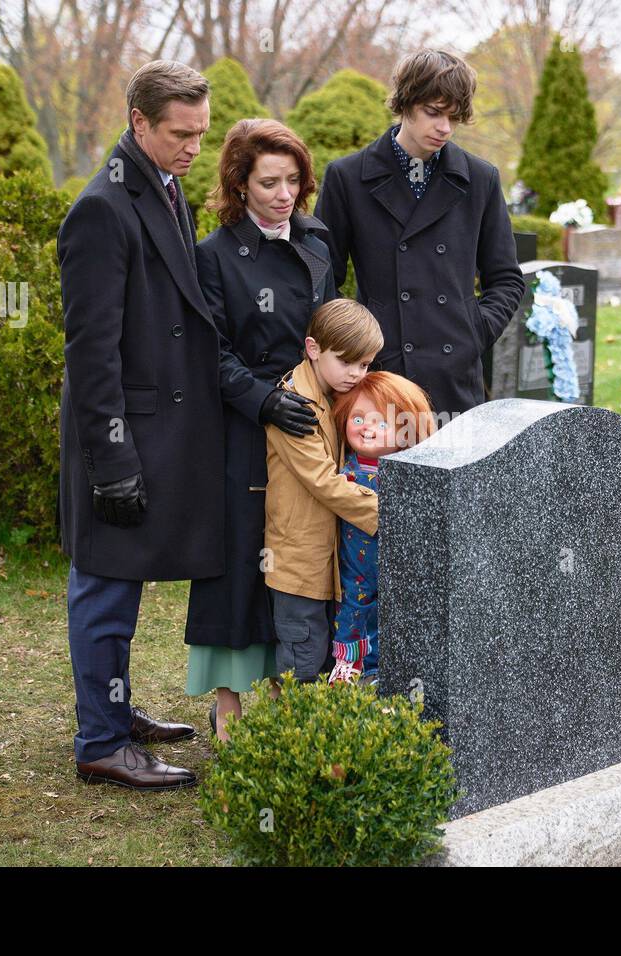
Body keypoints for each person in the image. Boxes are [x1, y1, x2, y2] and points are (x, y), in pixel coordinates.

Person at [58, 60, 227, 791]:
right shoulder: (102, 209)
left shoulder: (165, 187)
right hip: (121, 435)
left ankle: (117, 712)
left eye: (201, 134)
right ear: (138, 123)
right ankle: (99, 742)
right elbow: (91, 351)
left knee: (122, 587)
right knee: (104, 586)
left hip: (161, 429)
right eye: (180, 134)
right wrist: (113, 460)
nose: (194, 148)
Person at [184, 119, 335, 742]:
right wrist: (264, 401)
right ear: (238, 184)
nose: (282, 193)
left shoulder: (317, 243)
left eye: (293, 180)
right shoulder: (215, 256)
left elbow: (331, 330)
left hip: (314, 424)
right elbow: (210, 353)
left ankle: (292, 695)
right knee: (241, 565)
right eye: (267, 181)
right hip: (246, 430)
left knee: (300, 562)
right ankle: (227, 709)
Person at [313, 48, 526, 421]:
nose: (444, 127)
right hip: (380, 371)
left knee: (455, 476)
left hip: (455, 373)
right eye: (433, 112)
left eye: (454, 117)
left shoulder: (480, 179)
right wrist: (351, 349)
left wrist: (473, 331)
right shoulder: (347, 178)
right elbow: (324, 279)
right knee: (379, 477)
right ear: (405, 103)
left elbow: (506, 278)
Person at [262, 300, 384, 691]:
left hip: (329, 555)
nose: (356, 374)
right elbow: (323, 480)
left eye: (365, 365)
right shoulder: (295, 404)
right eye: (347, 362)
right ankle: (286, 742)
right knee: (302, 662)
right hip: (299, 561)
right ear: (313, 348)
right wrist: (391, 513)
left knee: (320, 657)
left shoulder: (332, 391)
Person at [326, 371, 435, 684]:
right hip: (354, 569)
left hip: (401, 569)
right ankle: (349, 664)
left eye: (382, 422)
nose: (368, 429)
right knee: (353, 610)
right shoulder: (343, 472)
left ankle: (390, 672)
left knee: (396, 616)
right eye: (358, 418)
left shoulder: (412, 474)